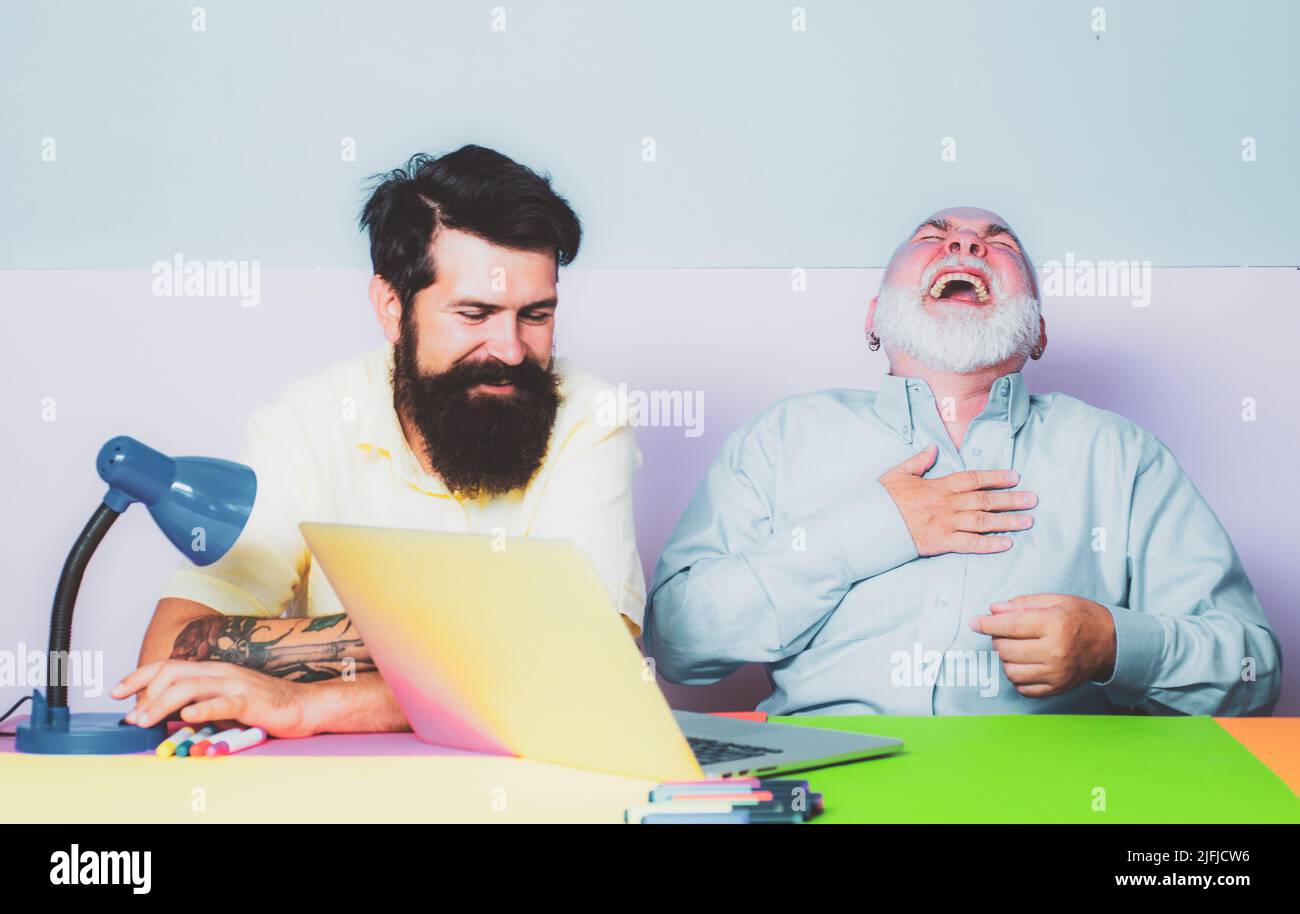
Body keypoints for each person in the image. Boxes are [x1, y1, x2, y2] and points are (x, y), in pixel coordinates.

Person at [645, 207, 1281, 717]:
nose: (968, 247)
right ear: (874, 318)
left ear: (1038, 332)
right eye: (934, 235)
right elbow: (678, 644)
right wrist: (873, 529)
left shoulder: (1121, 456)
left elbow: (1254, 671)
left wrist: (1116, 646)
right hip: (828, 792)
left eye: (997, 243)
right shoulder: (780, 438)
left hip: (1054, 802)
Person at [112, 145, 645, 736]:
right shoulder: (308, 423)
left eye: (536, 315)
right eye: (475, 314)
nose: (511, 350)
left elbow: (589, 665)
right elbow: (170, 658)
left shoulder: (590, 415)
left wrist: (306, 704)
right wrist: (495, 638)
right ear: (392, 307)